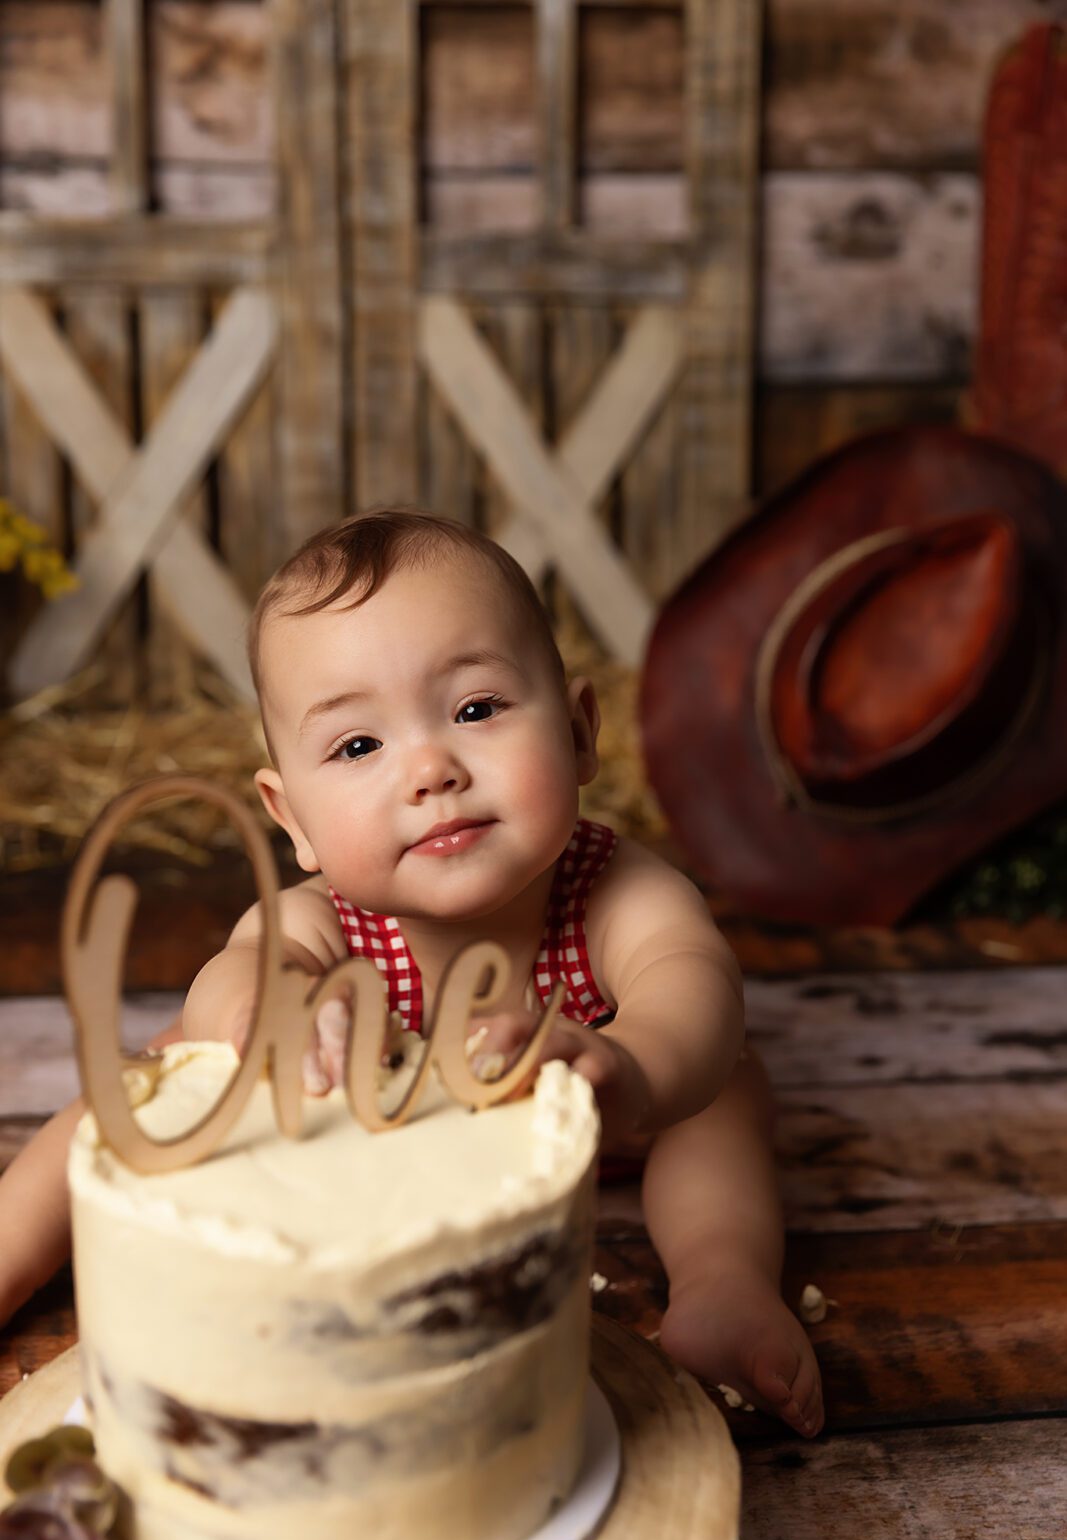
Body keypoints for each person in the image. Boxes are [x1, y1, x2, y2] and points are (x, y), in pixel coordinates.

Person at [0, 510, 823, 1436]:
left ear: (583, 734)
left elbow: (693, 989)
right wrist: (269, 1013)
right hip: (371, 1134)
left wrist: (627, 1068)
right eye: (359, 747)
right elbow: (232, 978)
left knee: (719, 1102)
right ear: (293, 821)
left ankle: (721, 1284)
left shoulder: (616, 893)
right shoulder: (324, 922)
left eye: (476, 709)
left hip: (601, 1119)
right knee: (145, 1078)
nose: (431, 768)